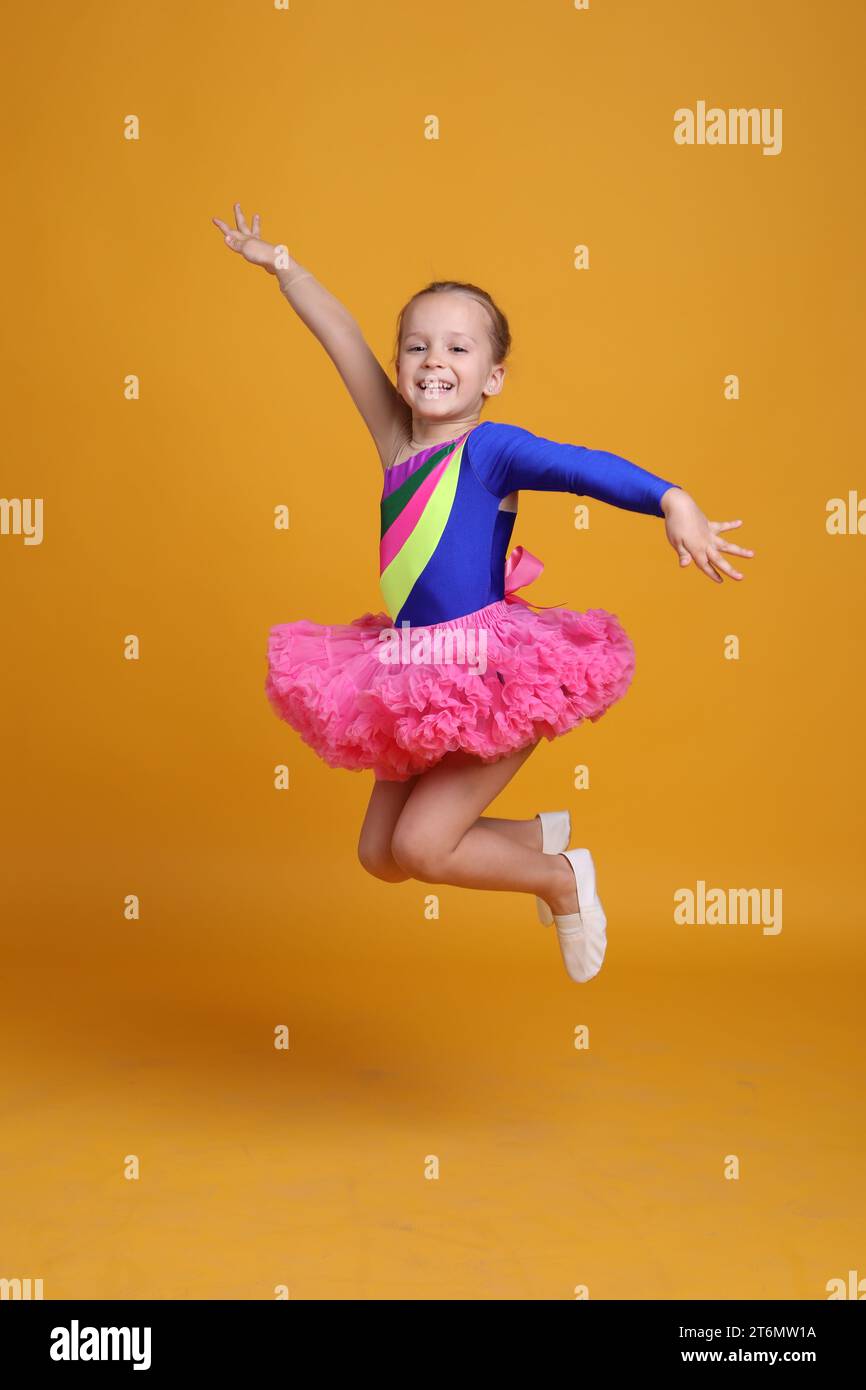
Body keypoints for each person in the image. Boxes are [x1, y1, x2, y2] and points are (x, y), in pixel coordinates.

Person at [212, 202, 755, 983]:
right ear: (399, 364)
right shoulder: (396, 439)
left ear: (492, 376)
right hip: (407, 670)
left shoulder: (490, 449)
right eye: (417, 345)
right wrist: (281, 264)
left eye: (458, 348)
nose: (435, 359)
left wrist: (672, 499)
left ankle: (560, 877)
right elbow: (339, 337)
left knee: (423, 847)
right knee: (380, 856)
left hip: (491, 672)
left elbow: (580, 466)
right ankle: (541, 835)